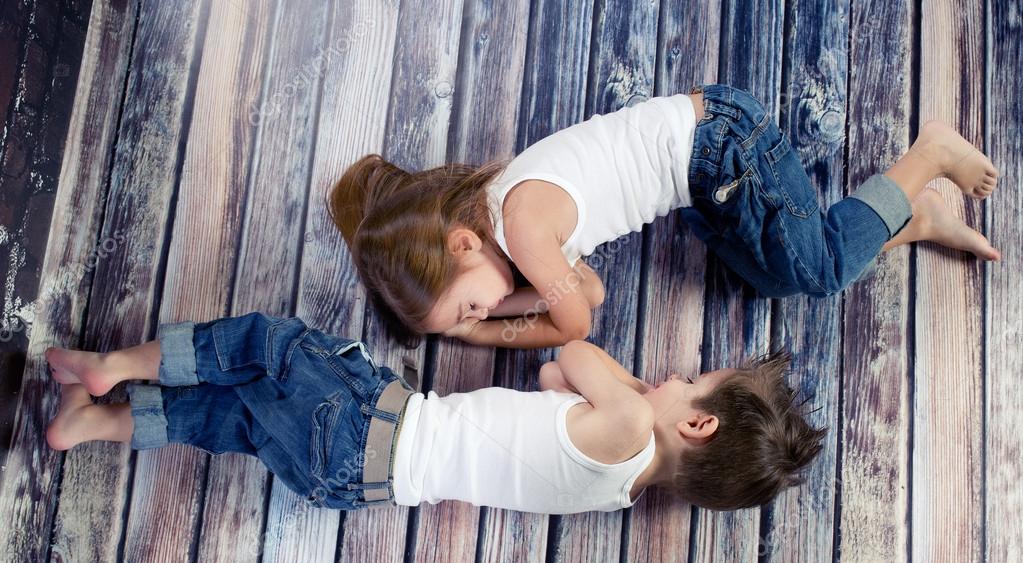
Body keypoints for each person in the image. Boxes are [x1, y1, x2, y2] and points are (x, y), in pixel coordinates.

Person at [329, 83, 1000, 349]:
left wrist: (477, 337)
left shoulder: (525, 227)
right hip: (700, 187)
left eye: (467, 305)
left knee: (817, 270)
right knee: (767, 280)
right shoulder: (504, 223)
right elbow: (585, 289)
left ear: (463, 242)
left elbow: (576, 322)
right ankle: (910, 218)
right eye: (470, 319)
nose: (482, 314)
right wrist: (475, 311)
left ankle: (925, 156)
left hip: (724, 151)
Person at [44, 312, 825, 513]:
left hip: (369, 422)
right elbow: (553, 379)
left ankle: (110, 368)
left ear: (696, 424)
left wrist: (629, 383)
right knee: (235, 421)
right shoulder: (613, 491)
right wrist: (579, 384)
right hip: (355, 484)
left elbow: (574, 351)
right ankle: (100, 423)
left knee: (265, 346)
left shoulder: (625, 422)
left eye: (686, 383)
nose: (671, 376)